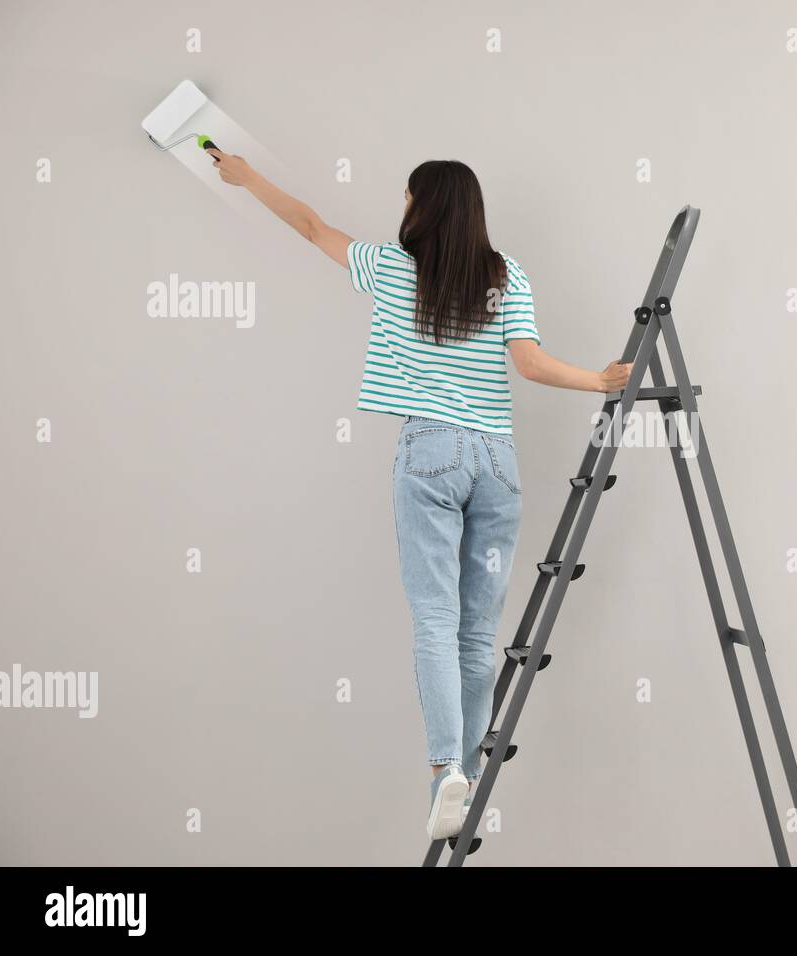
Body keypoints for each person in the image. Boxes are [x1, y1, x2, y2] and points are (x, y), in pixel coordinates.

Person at [207, 150, 631, 839]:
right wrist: (601, 381)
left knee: (434, 619)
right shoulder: (506, 275)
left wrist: (246, 177)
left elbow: (311, 227)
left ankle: (446, 774)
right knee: (475, 632)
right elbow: (528, 363)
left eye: (407, 198)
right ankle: (461, 773)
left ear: (422, 206)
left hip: (431, 453)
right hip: (496, 462)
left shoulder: (394, 266)